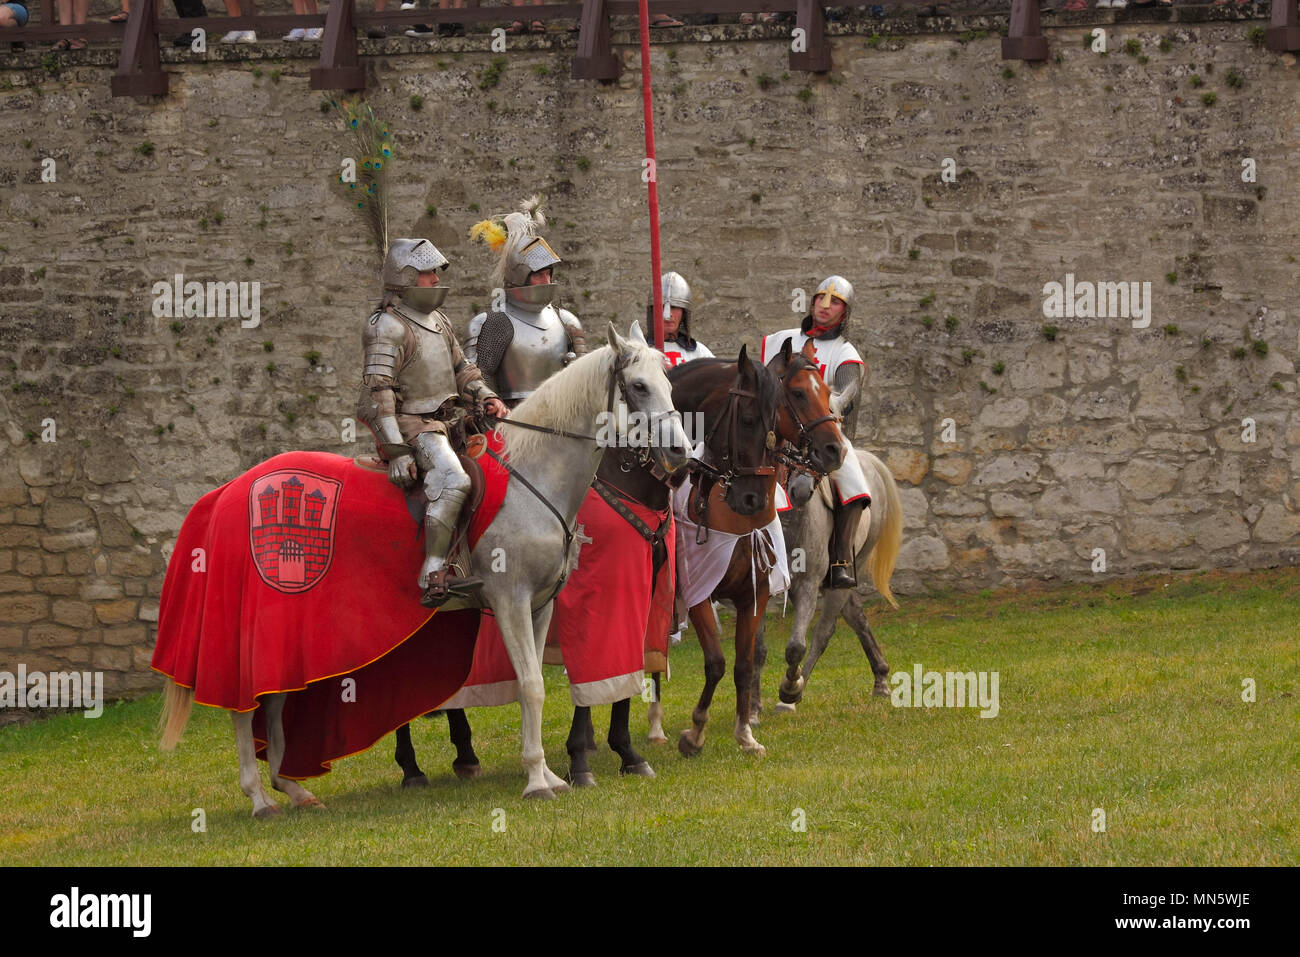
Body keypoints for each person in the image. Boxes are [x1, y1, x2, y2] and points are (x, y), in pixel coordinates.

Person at [357, 238, 509, 607]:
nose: (436, 279)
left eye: (435, 272)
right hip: (413, 426)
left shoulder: (437, 320)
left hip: (446, 421)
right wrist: (395, 451)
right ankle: (435, 571)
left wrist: (485, 395)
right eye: (428, 273)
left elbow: (461, 369)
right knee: (454, 480)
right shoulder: (387, 327)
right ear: (406, 277)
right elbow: (377, 395)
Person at [761, 275, 872, 589]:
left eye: (834, 301)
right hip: (776, 431)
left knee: (854, 485)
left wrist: (829, 406)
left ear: (844, 312)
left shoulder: (845, 352)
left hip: (822, 435)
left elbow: (850, 392)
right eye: (820, 298)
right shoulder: (778, 341)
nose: (825, 306)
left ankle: (838, 562)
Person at [466, 196, 585, 408]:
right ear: (519, 276)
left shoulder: (566, 321)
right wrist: (493, 407)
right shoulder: (495, 323)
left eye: (549, 274)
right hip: (514, 419)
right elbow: (477, 381)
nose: (546, 281)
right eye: (538, 275)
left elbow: (585, 383)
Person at [649, 270, 713, 368]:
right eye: (661, 307)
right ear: (653, 311)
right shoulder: (642, 352)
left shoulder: (700, 353)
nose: (668, 314)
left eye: (674, 307)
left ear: (683, 313)